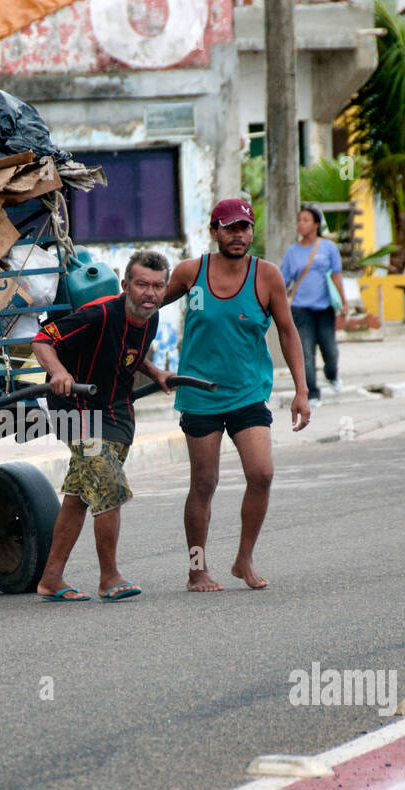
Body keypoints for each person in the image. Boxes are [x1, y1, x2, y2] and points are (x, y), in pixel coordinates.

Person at [162, 198, 310, 592]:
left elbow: (287, 331)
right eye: (229, 228)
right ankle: (197, 569)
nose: (238, 235)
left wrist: (301, 390)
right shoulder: (190, 272)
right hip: (199, 396)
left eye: (244, 227)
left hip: (247, 393)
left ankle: (243, 559)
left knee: (262, 474)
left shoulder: (267, 276)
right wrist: (139, 359)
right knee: (203, 484)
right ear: (215, 232)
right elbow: (145, 308)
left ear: (251, 231)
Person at [32, 251, 174, 602]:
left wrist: (156, 373)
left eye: (157, 286)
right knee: (108, 484)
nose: (149, 293)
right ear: (125, 285)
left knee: (80, 494)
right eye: (141, 284)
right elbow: (42, 339)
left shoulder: (150, 319)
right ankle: (109, 577)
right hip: (76, 408)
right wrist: (59, 372)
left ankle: (51, 578)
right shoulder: (98, 314)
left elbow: (130, 352)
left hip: (118, 414)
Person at [280, 205, 349, 408]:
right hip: (301, 310)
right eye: (299, 220)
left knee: (330, 350)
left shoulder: (328, 248)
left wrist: (344, 303)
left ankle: (332, 374)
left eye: (306, 220)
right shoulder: (292, 253)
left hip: (325, 308)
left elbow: (336, 276)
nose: (301, 224)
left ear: (316, 224)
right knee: (305, 353)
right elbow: (283, 281)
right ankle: (312, 393)